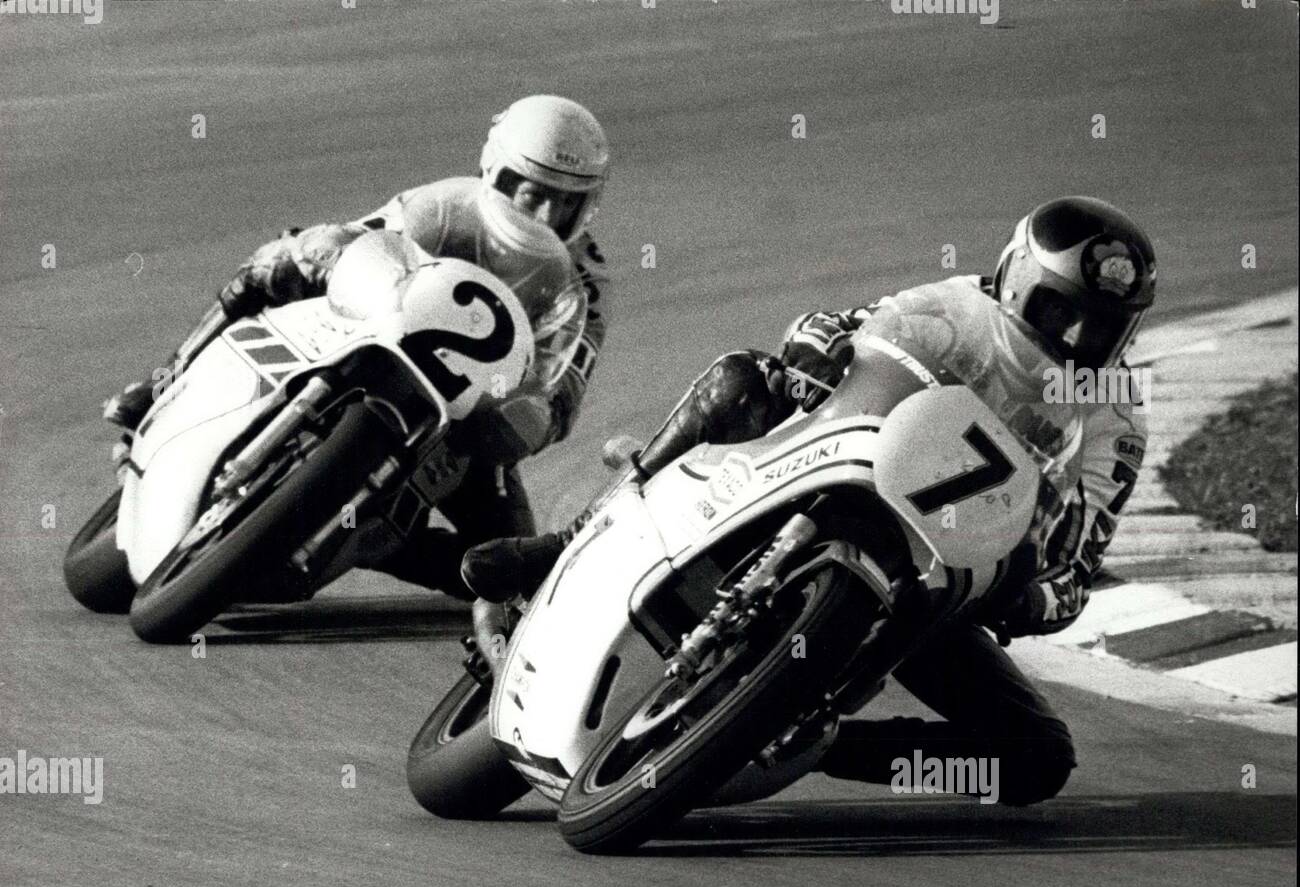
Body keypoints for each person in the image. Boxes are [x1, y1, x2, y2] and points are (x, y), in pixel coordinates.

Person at [462, 196, 1155, 806]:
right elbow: (837, 326)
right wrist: (815, 351)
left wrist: (1035, 601)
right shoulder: (957, 305)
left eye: (1097, 328)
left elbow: (1081, 562)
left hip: (939, 576)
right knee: (739, 379)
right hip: (833, 467)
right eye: (1059, 310)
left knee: (1034, 765)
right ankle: (572, 538)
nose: (1072, 339)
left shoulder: (1116, 418)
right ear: (1016, 279)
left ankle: (822, 747)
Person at [103, 95, 611, 597]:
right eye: (532, 193)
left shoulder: (586, 283)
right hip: (372, 334)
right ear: (496, 173)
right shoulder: (447, 207)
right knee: (284, 258)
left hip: (463, 418)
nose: (547, 213)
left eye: (567, 201)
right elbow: (364, 239)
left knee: (518, 573)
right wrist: (325, 252)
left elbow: (563, 387)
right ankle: (164, 381)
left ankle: (377, 543)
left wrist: (528, 418)